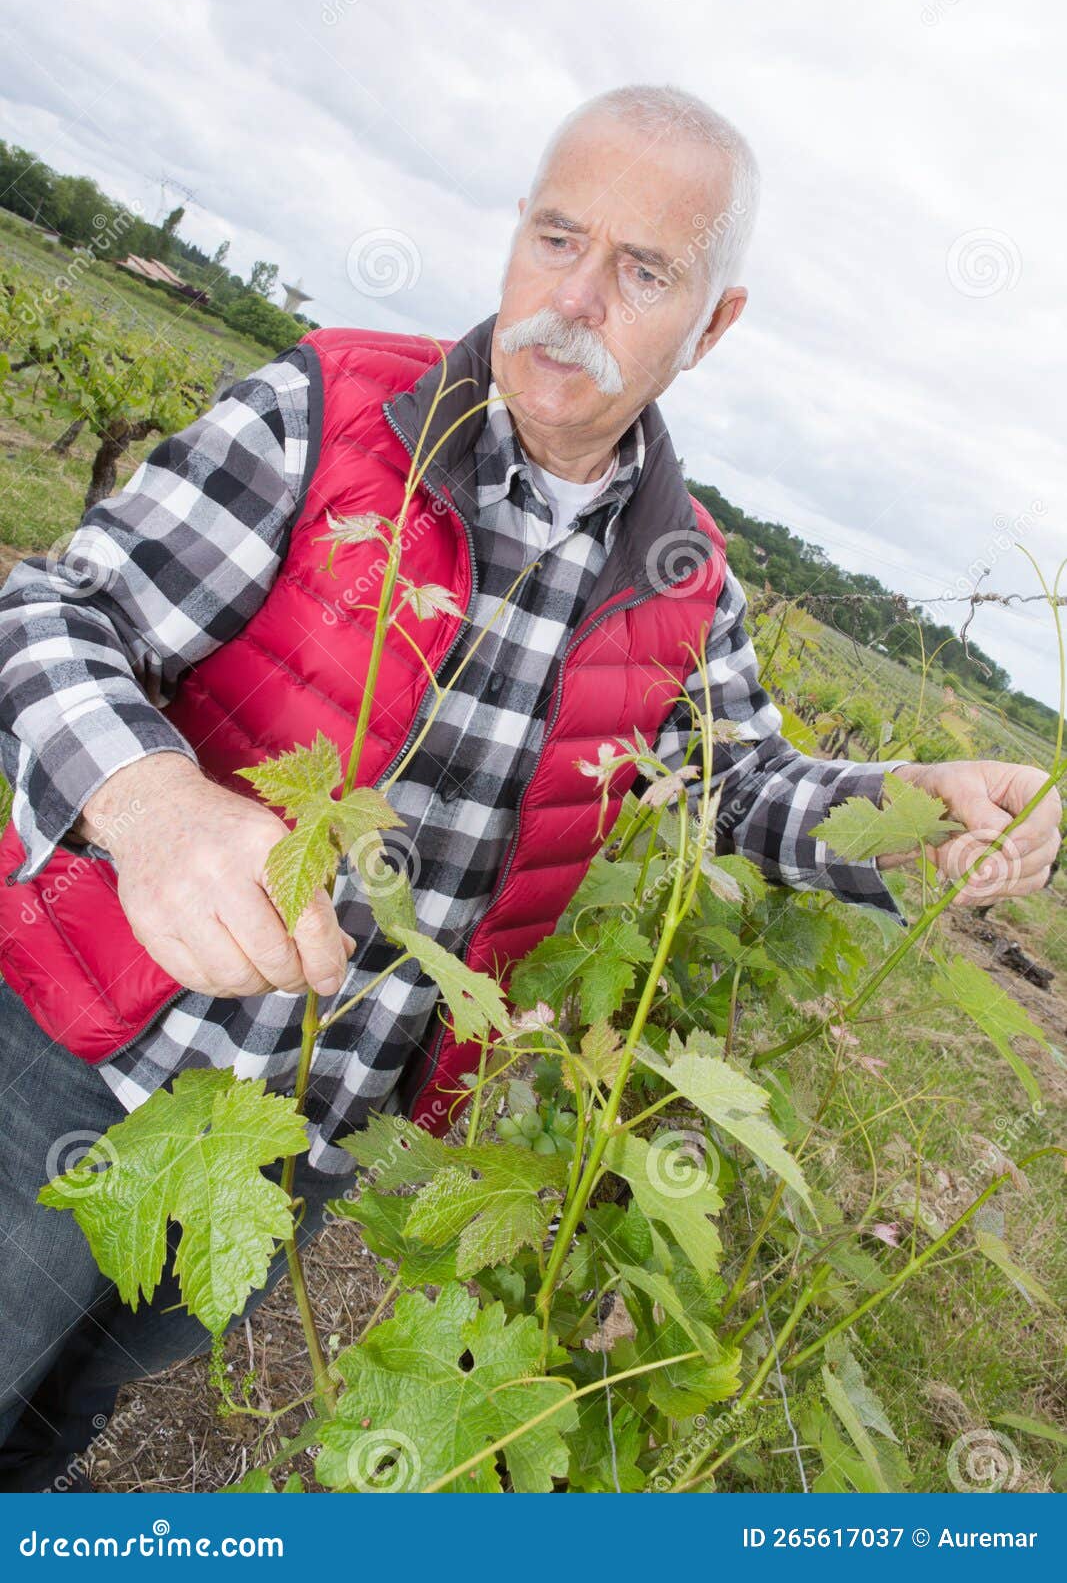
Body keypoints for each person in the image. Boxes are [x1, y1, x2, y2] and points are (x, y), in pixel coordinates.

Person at [0, 84, 1059, 1491]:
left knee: (59, 1421)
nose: (576, 296)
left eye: (643, 270)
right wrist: (149, 802)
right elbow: (50, 611)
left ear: (714, 323)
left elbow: (732, 790)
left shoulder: (691, 577)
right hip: (74, 1054)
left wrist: (912, 808)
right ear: (515, 233)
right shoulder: (331, 413)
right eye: (558, 236)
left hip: (299, 1151)